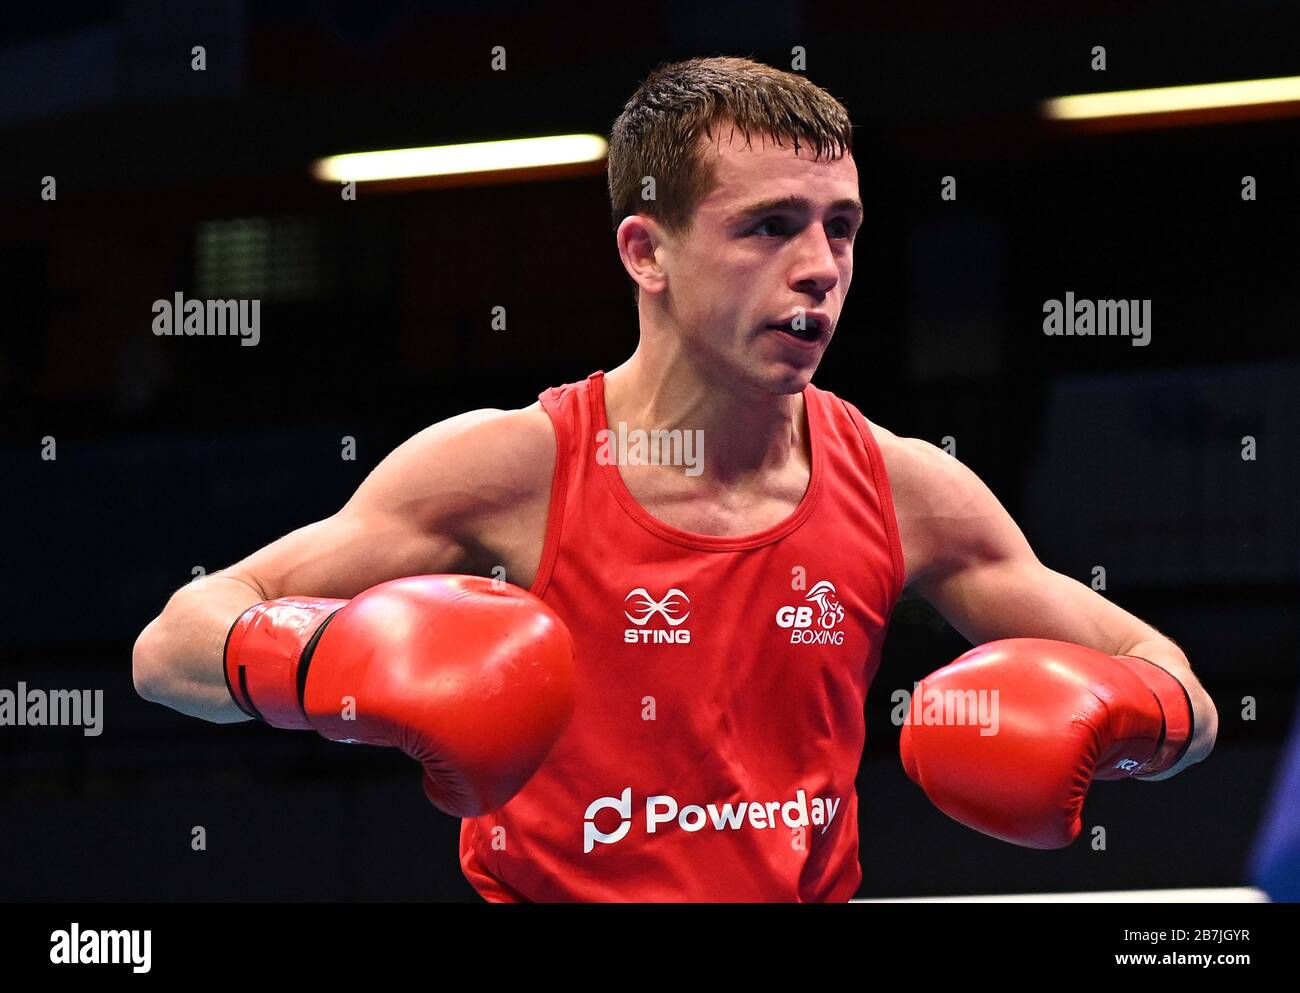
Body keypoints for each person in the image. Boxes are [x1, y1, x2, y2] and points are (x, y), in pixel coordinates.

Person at [132, 56, 1217, 901]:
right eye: (769, 226)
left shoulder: (906, 488)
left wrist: (1129, 726)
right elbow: (171, 647)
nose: (819, 267)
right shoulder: (514, 465)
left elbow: (1174, 687)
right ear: (646, 253)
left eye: (841, 227)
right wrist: (321, 662)